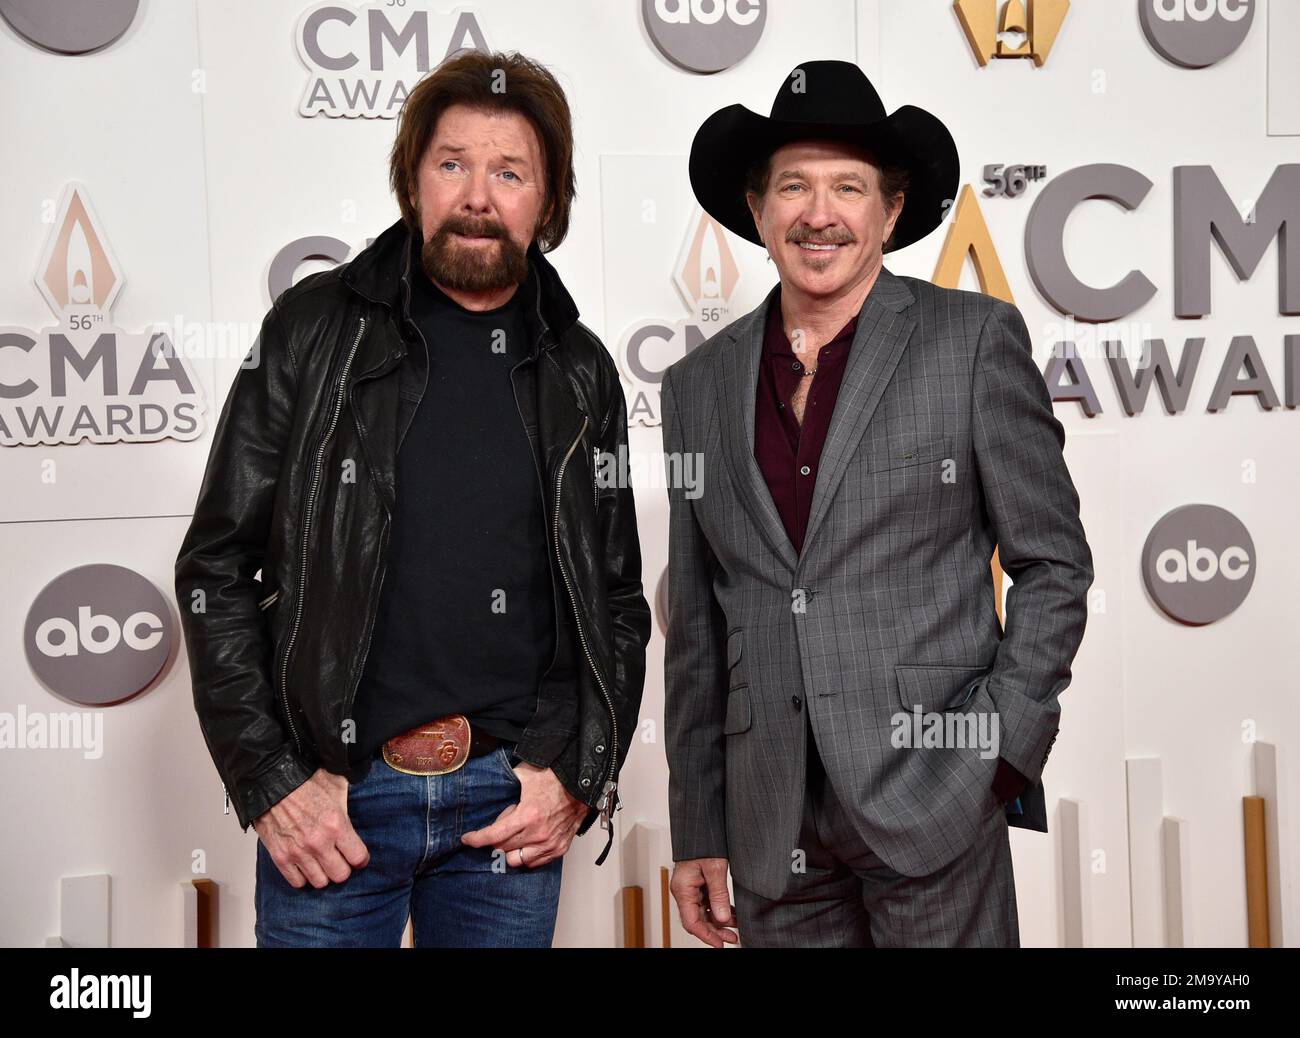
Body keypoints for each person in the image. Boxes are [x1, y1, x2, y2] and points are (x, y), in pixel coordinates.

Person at [175, 49, 650, 947]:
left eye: (509, 172)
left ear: (547, 203)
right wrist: (271, 778)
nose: (478, 195)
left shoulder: (581, 371)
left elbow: (617, 602)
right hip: (338, 805)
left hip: (506, 810)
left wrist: (576, 776)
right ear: (411, 181)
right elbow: (216, 567)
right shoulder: (313, 330)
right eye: (452, 164)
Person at [661, 60, 1093, 948]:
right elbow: (701, 629)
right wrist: (700, 826)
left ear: (890, 212)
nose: (819, 214)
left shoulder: (970, 342)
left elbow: (1053, 563)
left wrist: (1001, 750)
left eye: (847, 187)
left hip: (936, 797)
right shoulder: (696, 388)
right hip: (772, 825)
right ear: (757, 208)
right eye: (794, 187)